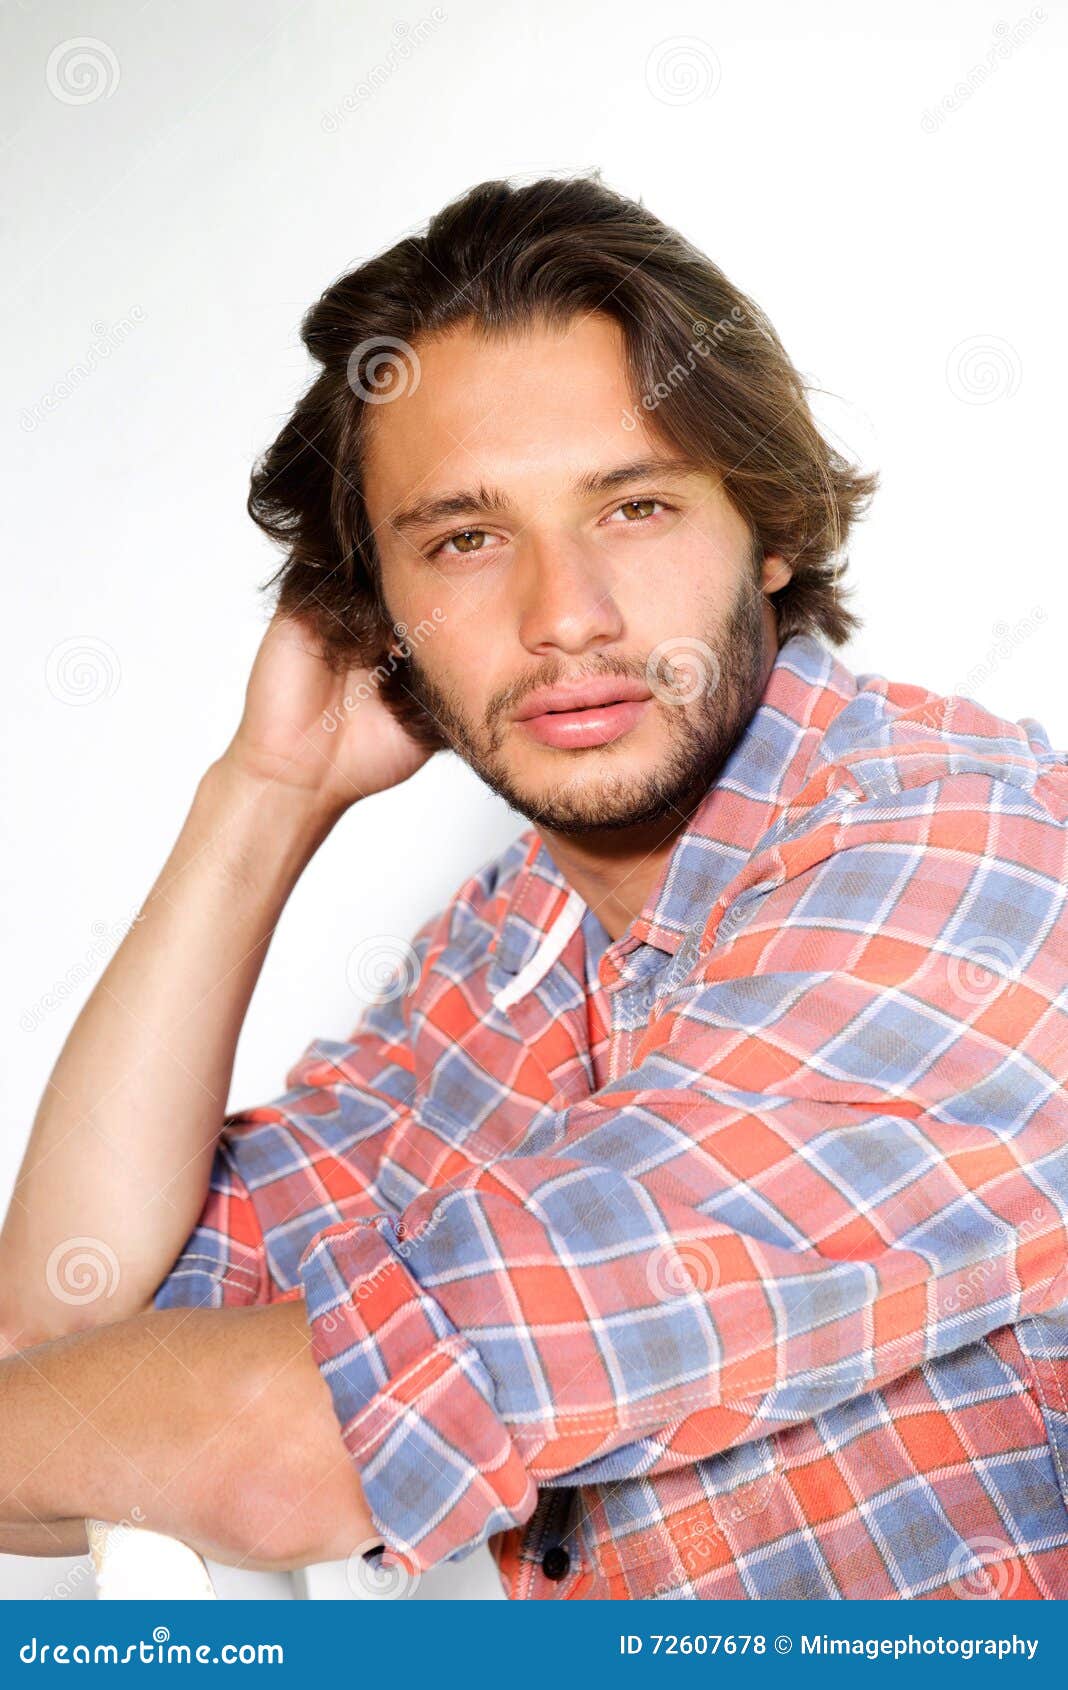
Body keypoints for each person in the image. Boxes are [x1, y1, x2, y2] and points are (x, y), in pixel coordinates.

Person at [2, 175, 1067, 1600]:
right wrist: (263, 797)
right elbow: (65, 1323)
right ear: (378, 613)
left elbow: (295, 1446)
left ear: (768, 529)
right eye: (466, 538)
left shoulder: (968, 858)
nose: (566, 615)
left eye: (635, 506)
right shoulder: (501, 957)